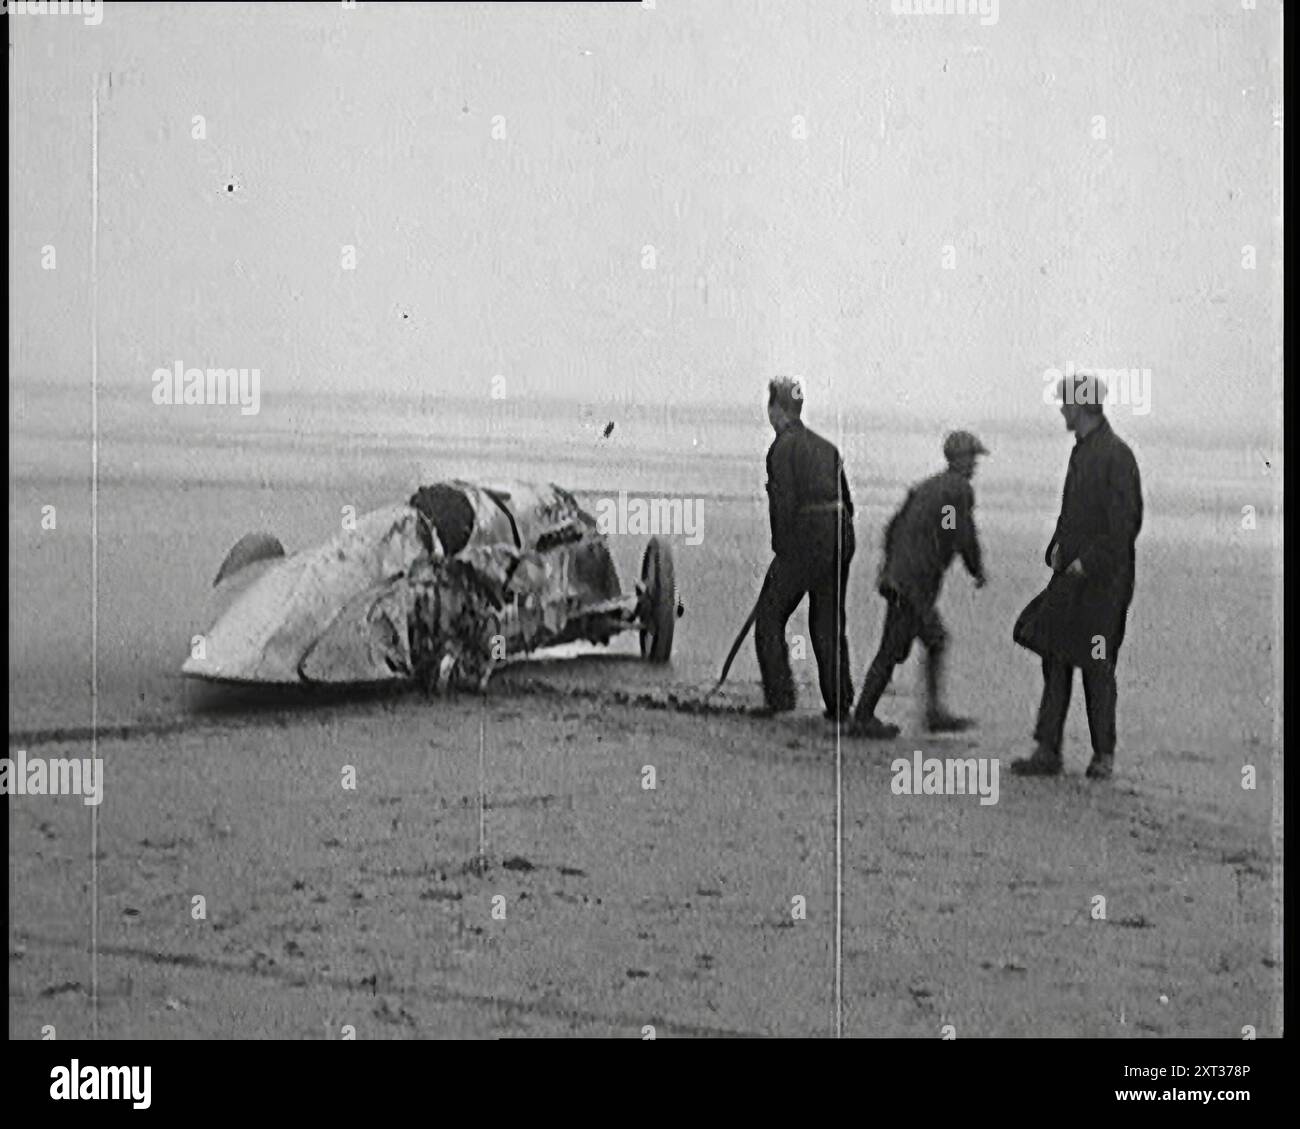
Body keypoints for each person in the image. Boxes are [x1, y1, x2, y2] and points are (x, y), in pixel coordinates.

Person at [1011, 373, 1142, 780]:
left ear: (1081, 406)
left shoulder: (1117, 455)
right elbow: (1072, 515)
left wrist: (1088, 562)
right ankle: (1047, 749)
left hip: (1105, 585)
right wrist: (1056, 547)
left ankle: (1103, 756)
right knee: (1054, 654)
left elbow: (1125, 526)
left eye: (1065, 403)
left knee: (1097, 665)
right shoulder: (1082, 451)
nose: (1061, 410)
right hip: (1071, 577)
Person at [848, 430, 988, 739]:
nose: (975, 465)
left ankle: (931, 712)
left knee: (928, 641)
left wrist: (890, 566)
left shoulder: (927, 487)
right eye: (972, 458)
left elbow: (892, 527)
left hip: (901, 577)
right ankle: (865, 716)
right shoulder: (957, 490)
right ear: (959, 458)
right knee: (899, 648)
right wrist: (975, 569)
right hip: (913, 583)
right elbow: (959, 531)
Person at [754, 376, 856, 720]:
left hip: (809, 537)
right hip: (842, 535)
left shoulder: (782, 448)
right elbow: (848, 504)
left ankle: (780, 699)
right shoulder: (828, 447)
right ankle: (840, 704)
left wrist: (781, 549)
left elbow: (781, 505)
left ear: (776, 410)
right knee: (827, 622)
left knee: (769, 616)